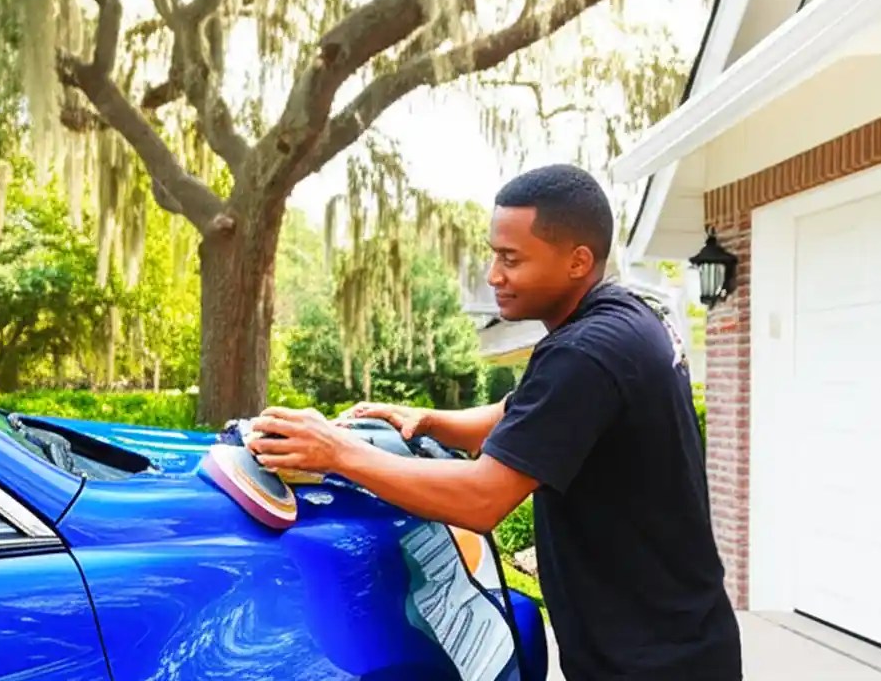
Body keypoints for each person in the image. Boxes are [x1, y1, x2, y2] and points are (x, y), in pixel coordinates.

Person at [250, 164, 742, 680]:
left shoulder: (586, 352)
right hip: (680, 639)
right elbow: (521, 413)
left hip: (651, 662)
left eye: (511, 258)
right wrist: (427, 420)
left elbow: (482, 500)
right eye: (494, 255)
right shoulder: (625, 318)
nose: (493, 275)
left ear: (577, 261)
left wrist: (338, 452)